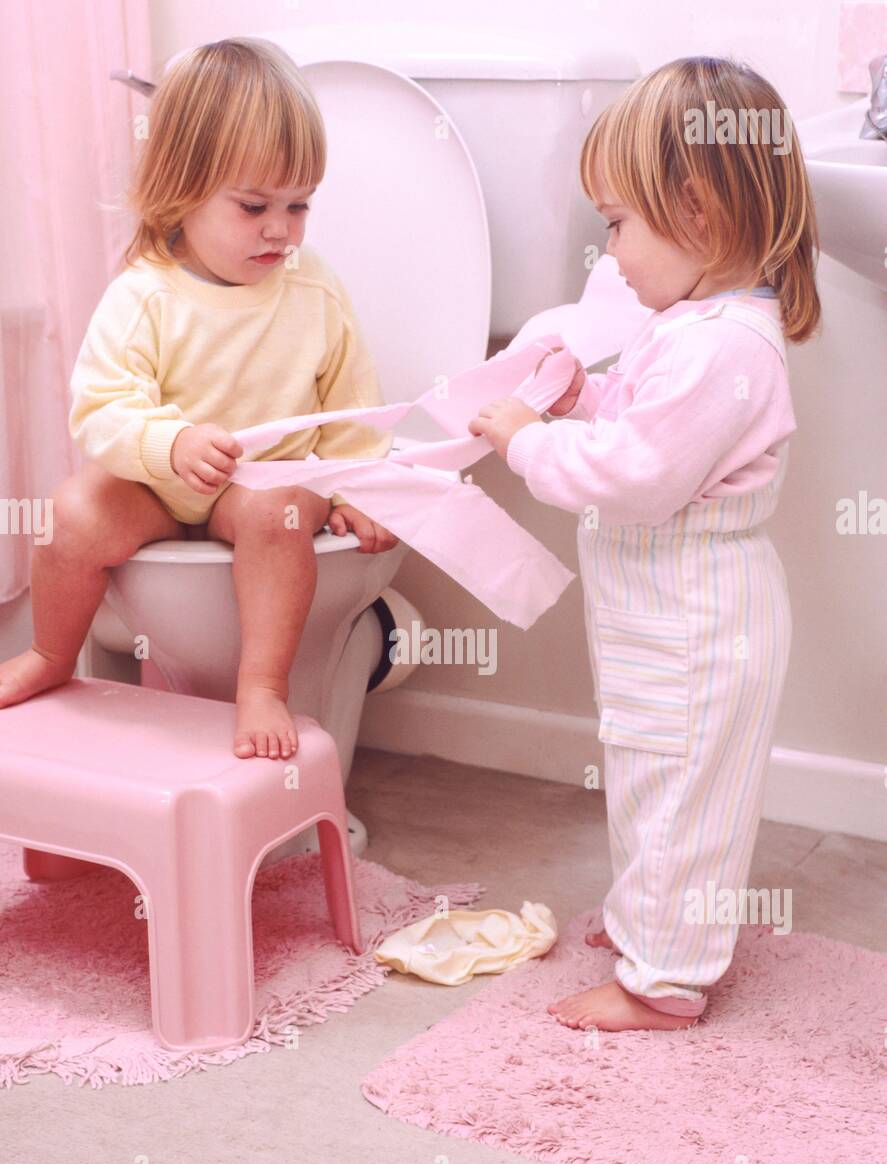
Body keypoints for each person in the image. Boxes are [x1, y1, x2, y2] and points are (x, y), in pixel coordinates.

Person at [469, 55, 820, 1032]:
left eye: (615, 223)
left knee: (680, 801)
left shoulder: (720, 345)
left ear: (696, 211)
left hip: (696, 624)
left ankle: (661, 979)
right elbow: (643, 426)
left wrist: (529, 440)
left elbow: (634, 476)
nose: (608, 253)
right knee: (647, 778)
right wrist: (585, 397)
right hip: (664, 617)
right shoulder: (693, 326)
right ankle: (648, 924)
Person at [0, 37, 398, 758]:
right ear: (182, 192)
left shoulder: (313, 289)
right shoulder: (145, 293)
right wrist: (169, 443)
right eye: (254, 206)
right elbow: (101, 408)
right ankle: (51, 656)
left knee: (279, 518)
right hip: (159, 485)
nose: (280, 228)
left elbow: (351, 401)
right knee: (72, 515)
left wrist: (355, 486)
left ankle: (261, 688)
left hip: (262, 484)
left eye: (298, 204)